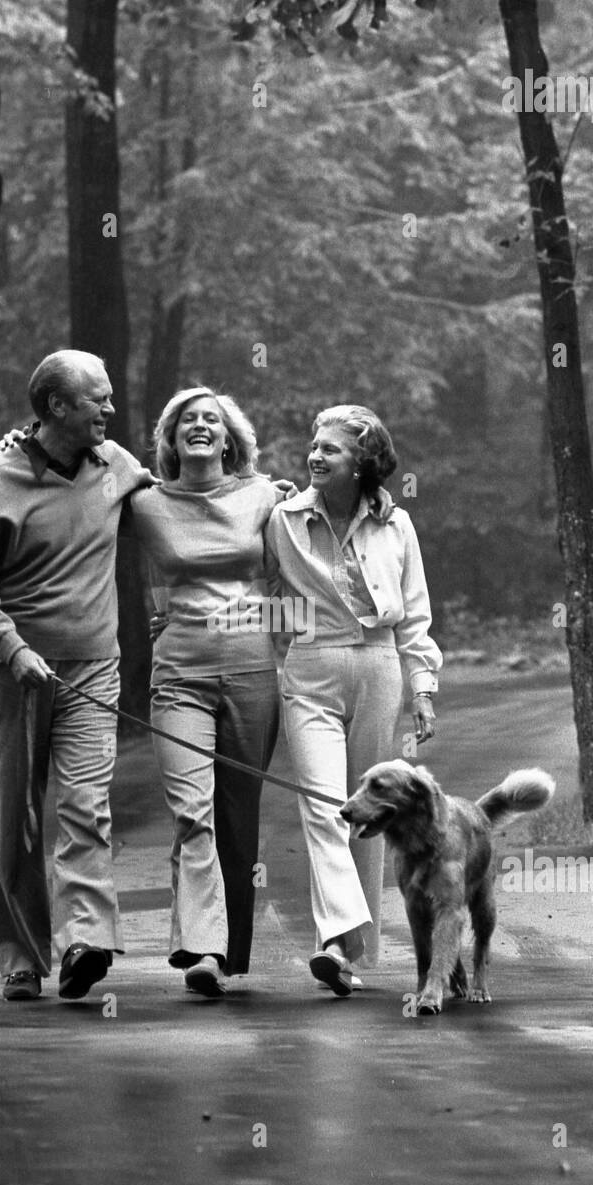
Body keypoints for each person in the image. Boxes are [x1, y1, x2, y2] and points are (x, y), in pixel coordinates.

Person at [0, 350, 155, 1002]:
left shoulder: (115, 466)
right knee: (16, 820)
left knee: (86, 807)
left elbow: (181, 507)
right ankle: (21, 955)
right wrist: (12, 649)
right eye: (98, 397)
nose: (110, 409)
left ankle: (87, 941)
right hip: (15, 674)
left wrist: (266, 500)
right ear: (56, 408)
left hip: (93, 668)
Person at [264, 404, 442, 996]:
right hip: (310, 666)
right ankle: (338, 938)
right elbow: (257, 585)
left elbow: (414, 614)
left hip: (378, 665)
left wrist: (423, 689)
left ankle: (352, 949)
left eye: (330, 449)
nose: (315, 454)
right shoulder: (283, 518)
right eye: (313, 444)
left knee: (367, 811)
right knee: (321, 802)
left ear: (363, 464)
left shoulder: (397, 525)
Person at [125, 388, 285, 997]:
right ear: (170, 439)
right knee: (193, 811)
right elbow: (74, 494)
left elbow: (318, 529)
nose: (199, 426)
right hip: (179, 677)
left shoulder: (266, 495)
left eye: (210, 420)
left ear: (228, 438)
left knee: (238, 815)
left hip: (251, 671)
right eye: (186, 420)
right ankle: (203, 949)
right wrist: (22, 445)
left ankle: (228, 950)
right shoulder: (142, 503)